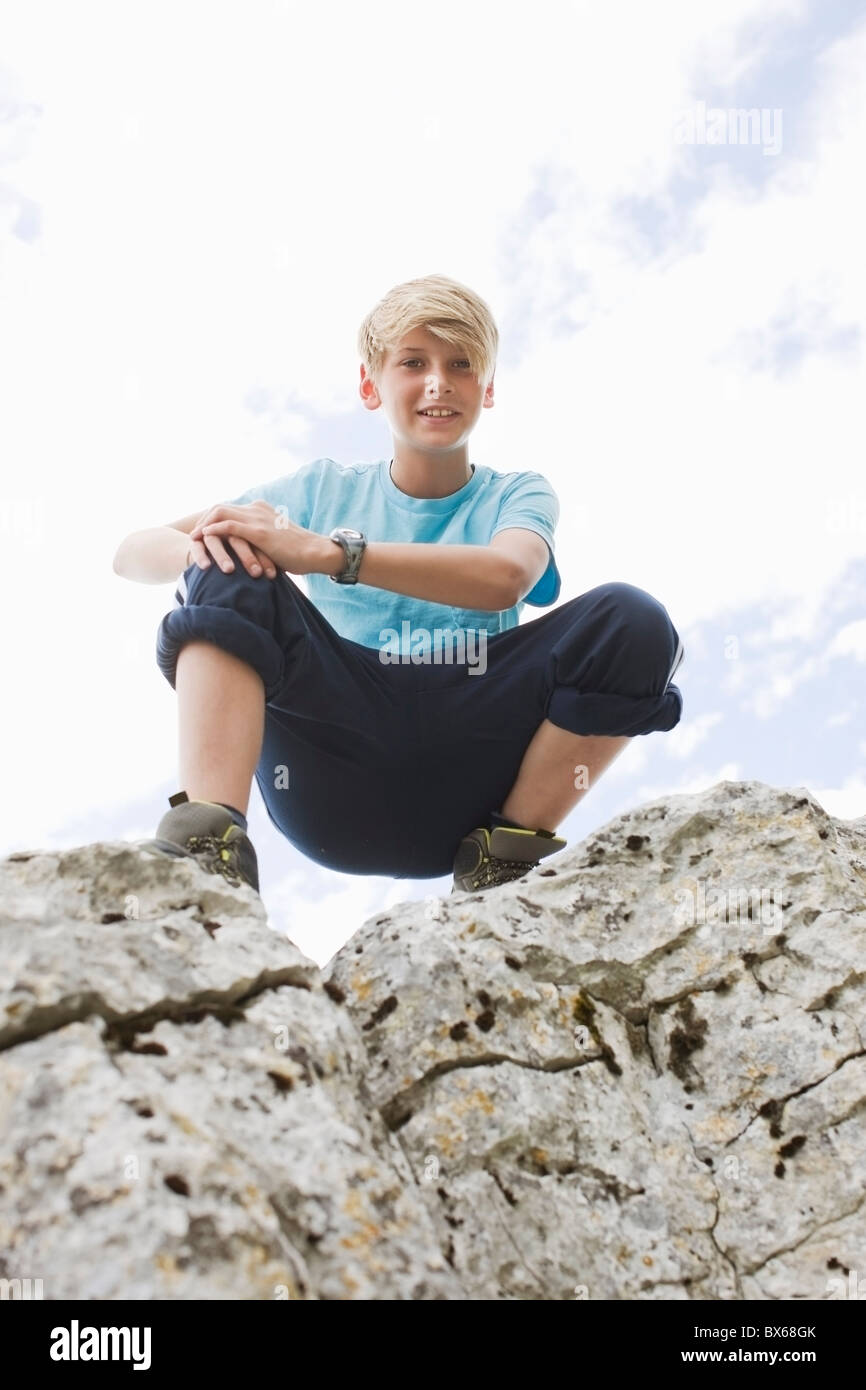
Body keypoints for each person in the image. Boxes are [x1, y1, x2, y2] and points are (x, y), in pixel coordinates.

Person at [113, 273, 684, 899]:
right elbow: (131, 554)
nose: (438, 381)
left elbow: (507, 577)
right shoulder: (320, 490)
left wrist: (329, 553)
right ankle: (207, 845)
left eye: (462, 365)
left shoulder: (517, 493)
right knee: (226, 556)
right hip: (331, 768)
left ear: (487, 388)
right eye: (413, 362)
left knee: (634, 620)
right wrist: (207, 544)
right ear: (370, 384)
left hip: (469, 766)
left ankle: (505, 856)